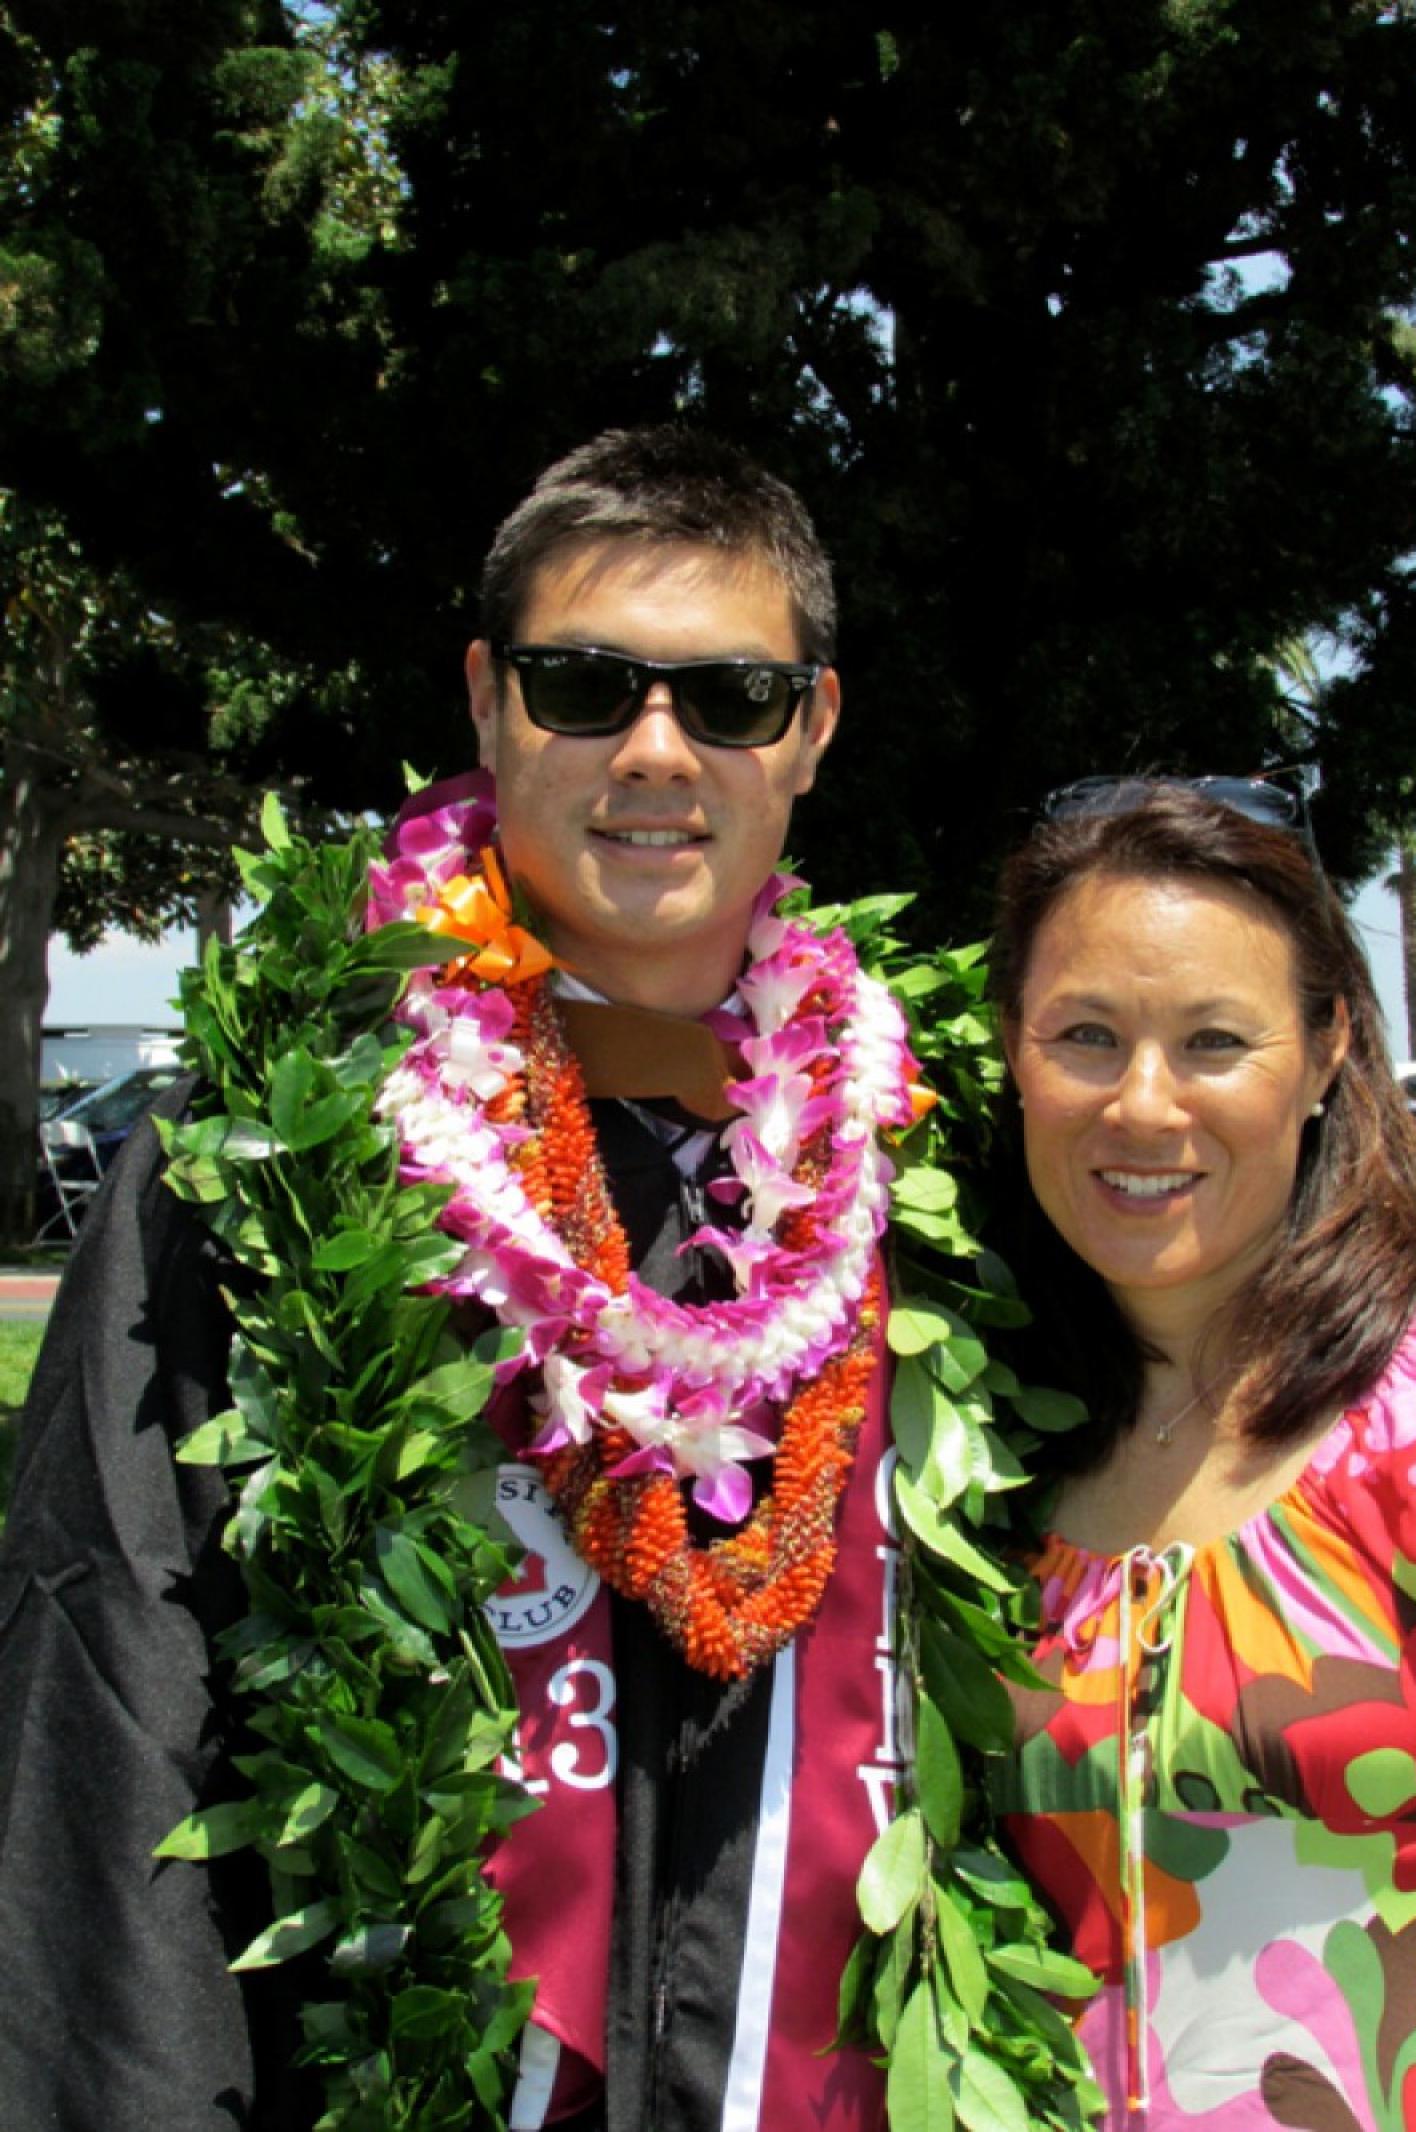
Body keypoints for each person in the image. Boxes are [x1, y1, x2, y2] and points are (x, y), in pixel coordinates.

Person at [0, 428, 912, 2131]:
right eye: (587, 686)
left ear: (812, 729)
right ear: (491, 703)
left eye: (729, 697)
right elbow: (106, 1734)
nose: (658, 750)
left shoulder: (913, 1188)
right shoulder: (263, 1178)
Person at [985, 776, 1416, 2130]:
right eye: (1086, 1035)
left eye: (1214, 1042)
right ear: (1014, 1055)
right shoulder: (977, 1437)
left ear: (1326, 1053)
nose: (1144, 1107)